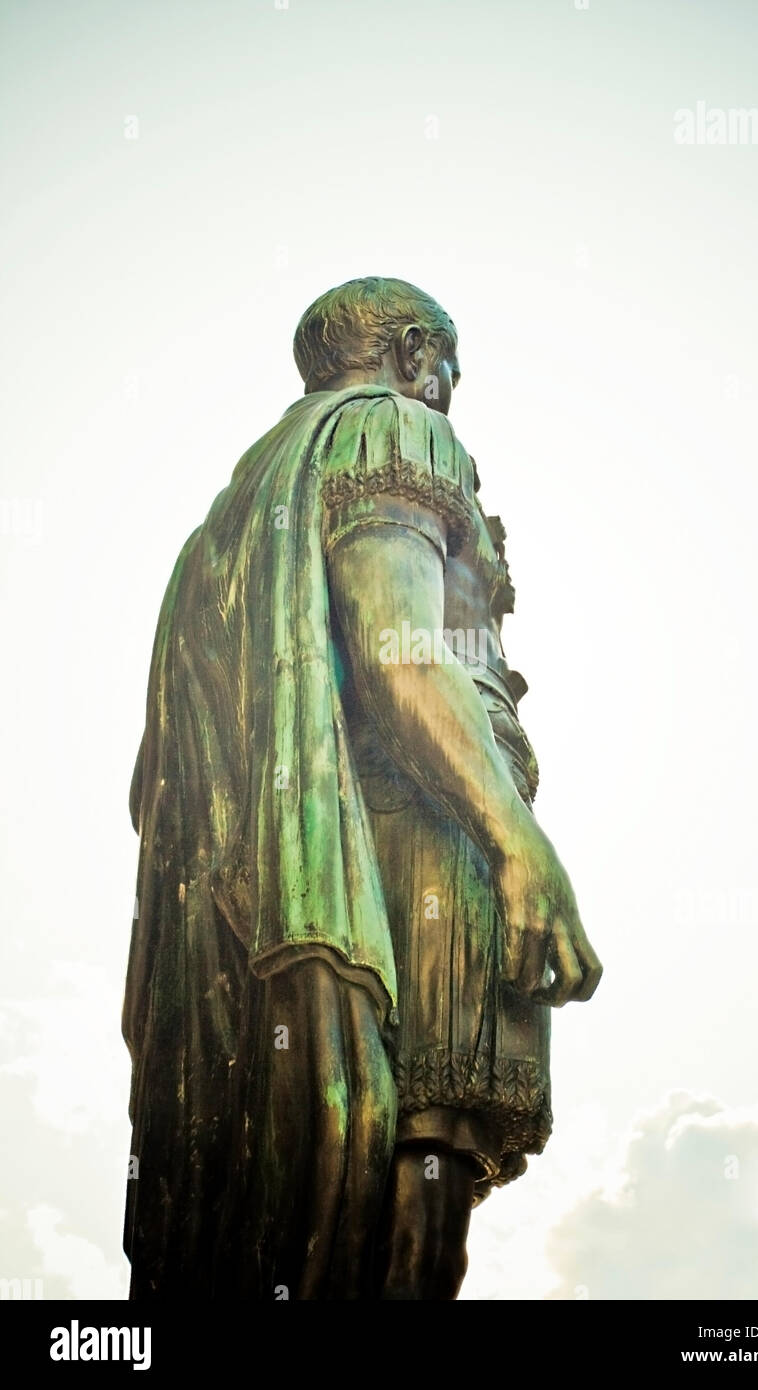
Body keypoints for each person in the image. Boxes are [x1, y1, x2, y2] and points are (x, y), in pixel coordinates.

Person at [122, 276, 602, 1301]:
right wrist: (517, 841)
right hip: (425, 830)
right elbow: (399, 647)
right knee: (423, 1153)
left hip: (304, 874)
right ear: (414, 353)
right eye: (449, 371)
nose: (449, 392)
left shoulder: (231, 516)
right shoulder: (394, 429)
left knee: (356, 1164)